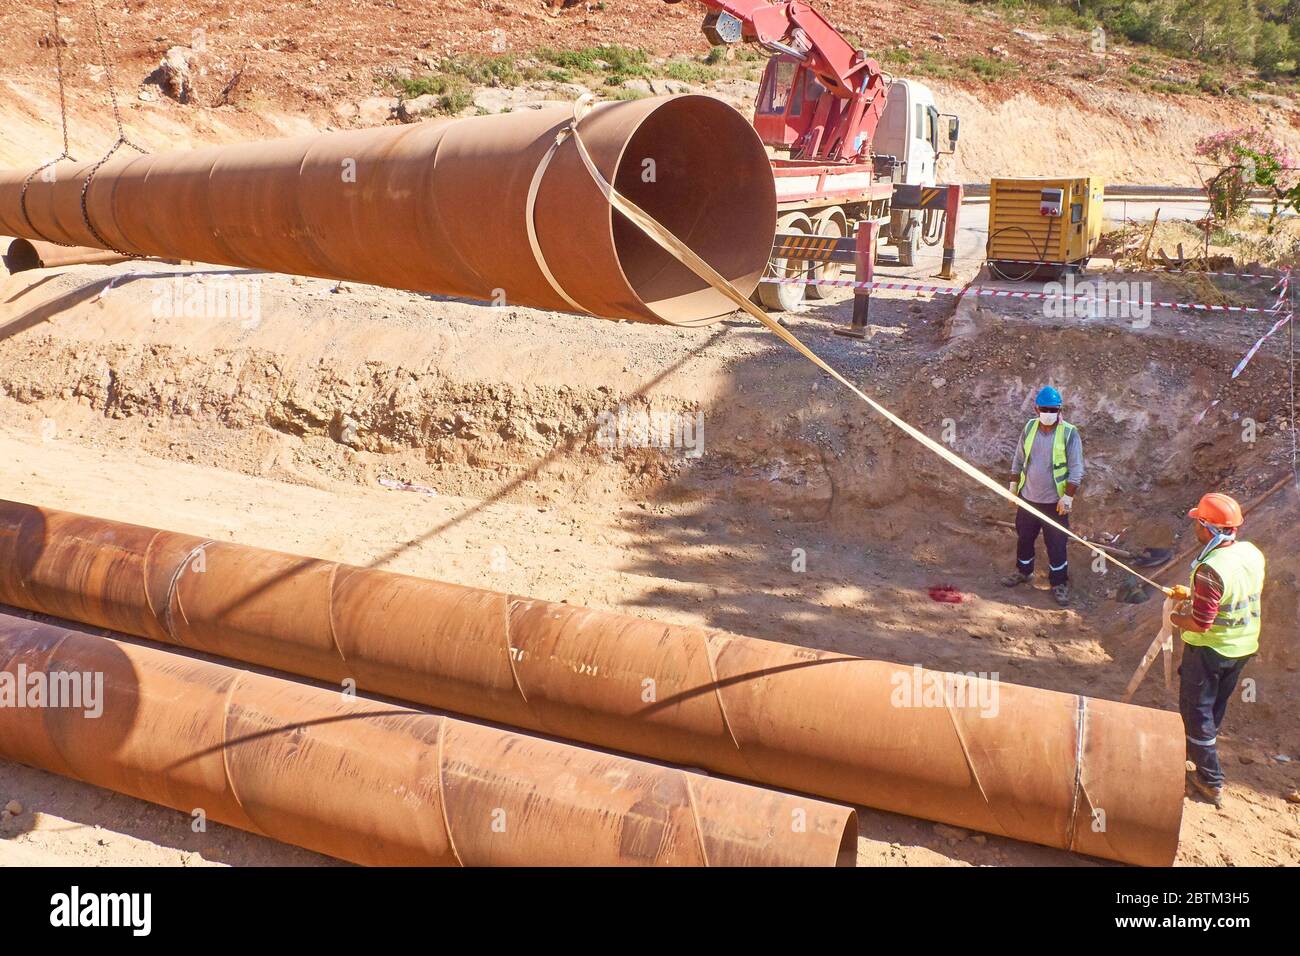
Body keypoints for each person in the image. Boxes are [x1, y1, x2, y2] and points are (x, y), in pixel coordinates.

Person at [1169, 492, 1265, 808]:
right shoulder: (1250, 553)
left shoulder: (1211, 570)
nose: (1195, 528)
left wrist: (1174, 617)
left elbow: (1200, 623)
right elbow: (1231, 593)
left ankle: (1210, 780)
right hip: (1242, 645)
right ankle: (1195, 753)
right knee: (1212, 709)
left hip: (1211, 650)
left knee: (1197, 711)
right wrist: (1193, 595)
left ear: (1208, 527)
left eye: (1198, 523)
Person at [1000, 386, 1084, 607]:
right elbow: (1019, 459)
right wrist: (1013, 486)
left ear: (1059, 410)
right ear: (1036, 409)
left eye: (1052, 410)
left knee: (1056, 544)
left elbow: (1076, 469)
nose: (1048, 413)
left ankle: (1059, 583)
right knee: (1024, 537)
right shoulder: (1029, 428)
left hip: (1054, 504)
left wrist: (1068, 497)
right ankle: (1023, 571)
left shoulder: (1069, 433)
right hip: (1028, 499)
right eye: (1044, 409)